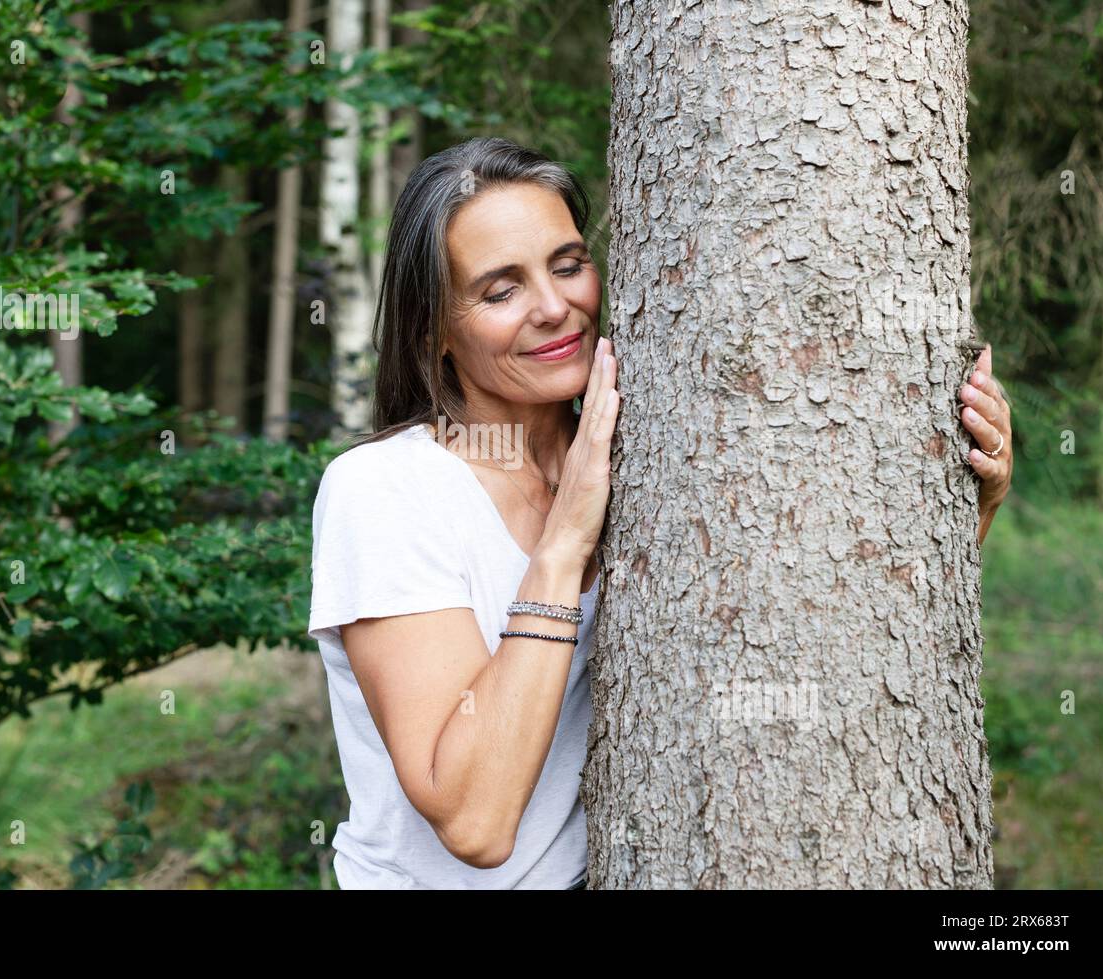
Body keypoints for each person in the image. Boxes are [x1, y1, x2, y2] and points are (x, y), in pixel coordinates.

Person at [307, 136, 1014, 889]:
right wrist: (561, 548)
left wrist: (966, 505)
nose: (555, 307)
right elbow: (476, 822)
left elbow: (829, 636)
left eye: (568, 264)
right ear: (433, 331)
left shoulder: (651, 452)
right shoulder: (384, 491)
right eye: (500, 289)